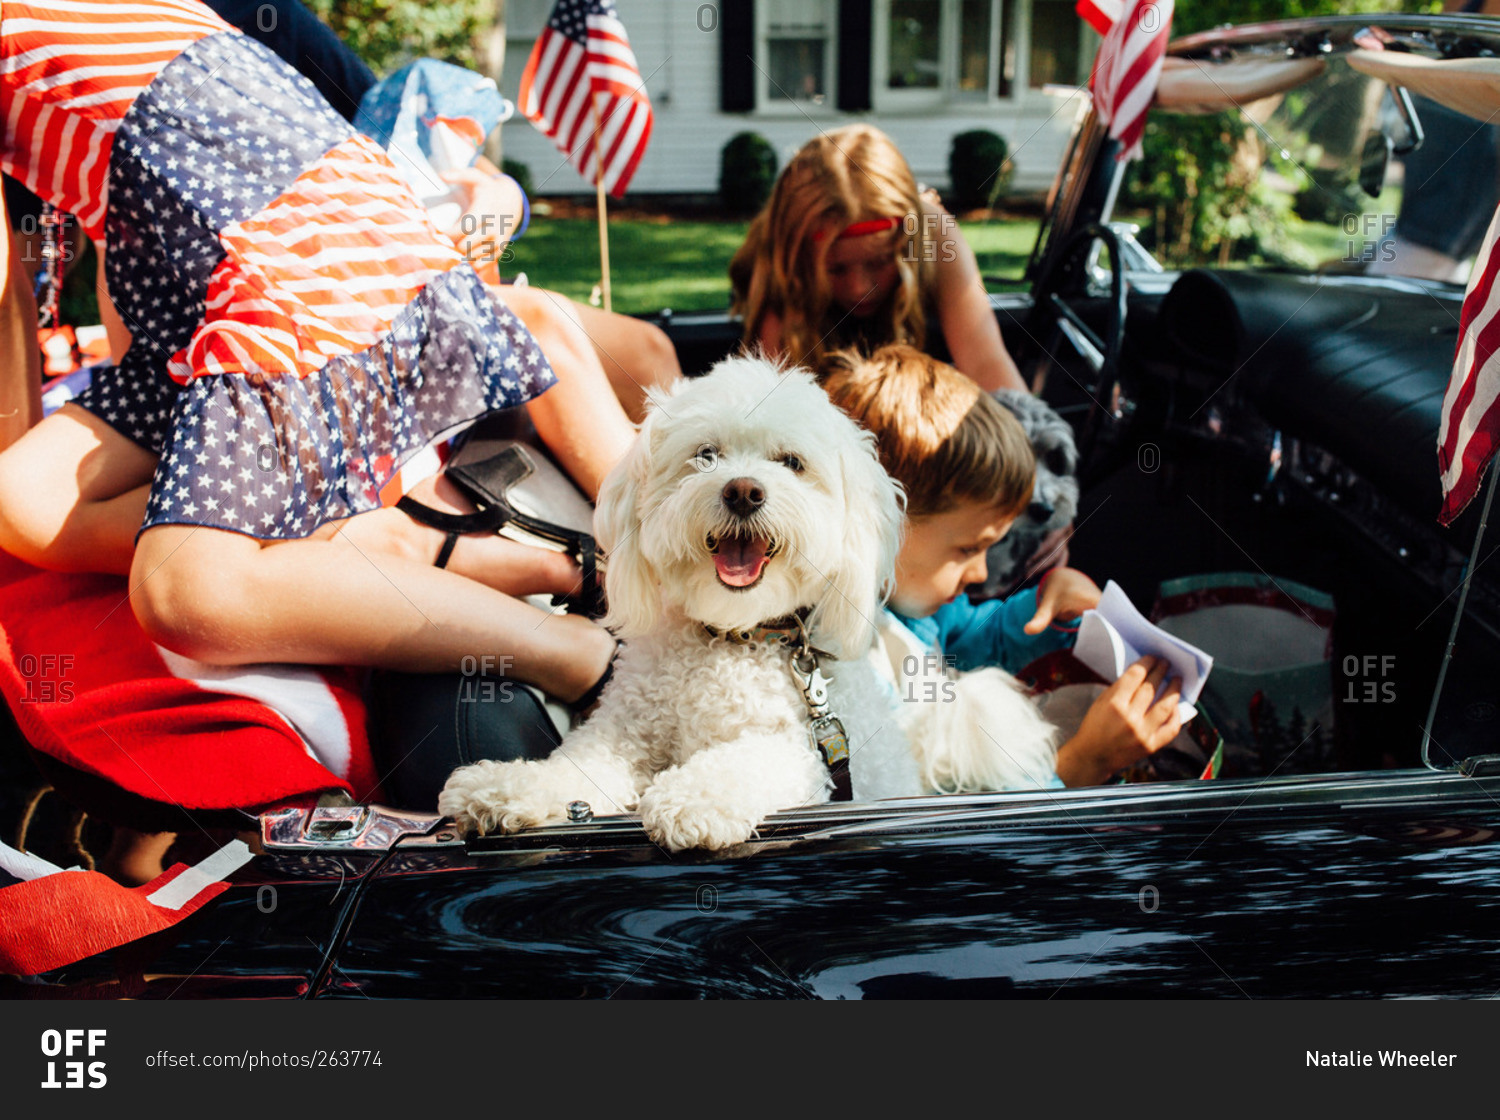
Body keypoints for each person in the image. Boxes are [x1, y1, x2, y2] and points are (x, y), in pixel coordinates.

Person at [0, 1, 622, 709]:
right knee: (24, 497)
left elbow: (3, 293)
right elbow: (131, 214)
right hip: (240, 269)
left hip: (287, 264)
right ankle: (373, 534)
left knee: (185, 590)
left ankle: (576, 655)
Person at [821, 345, 1185, 787]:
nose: (979, 574)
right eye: (967, 549)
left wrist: (1044, 611)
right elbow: (941, 816)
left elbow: (970, 639)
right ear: (875, 523)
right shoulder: (859, 672)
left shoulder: (911, 607)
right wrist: (1081, 765)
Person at [730, 124, 1027, 393]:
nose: (860, 288)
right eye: (836, 269)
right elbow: (773, 400)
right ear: (802, 262)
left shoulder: (933, 231)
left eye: (880, 261)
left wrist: (1034, 445)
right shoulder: (781, 256)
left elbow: (987, 364)